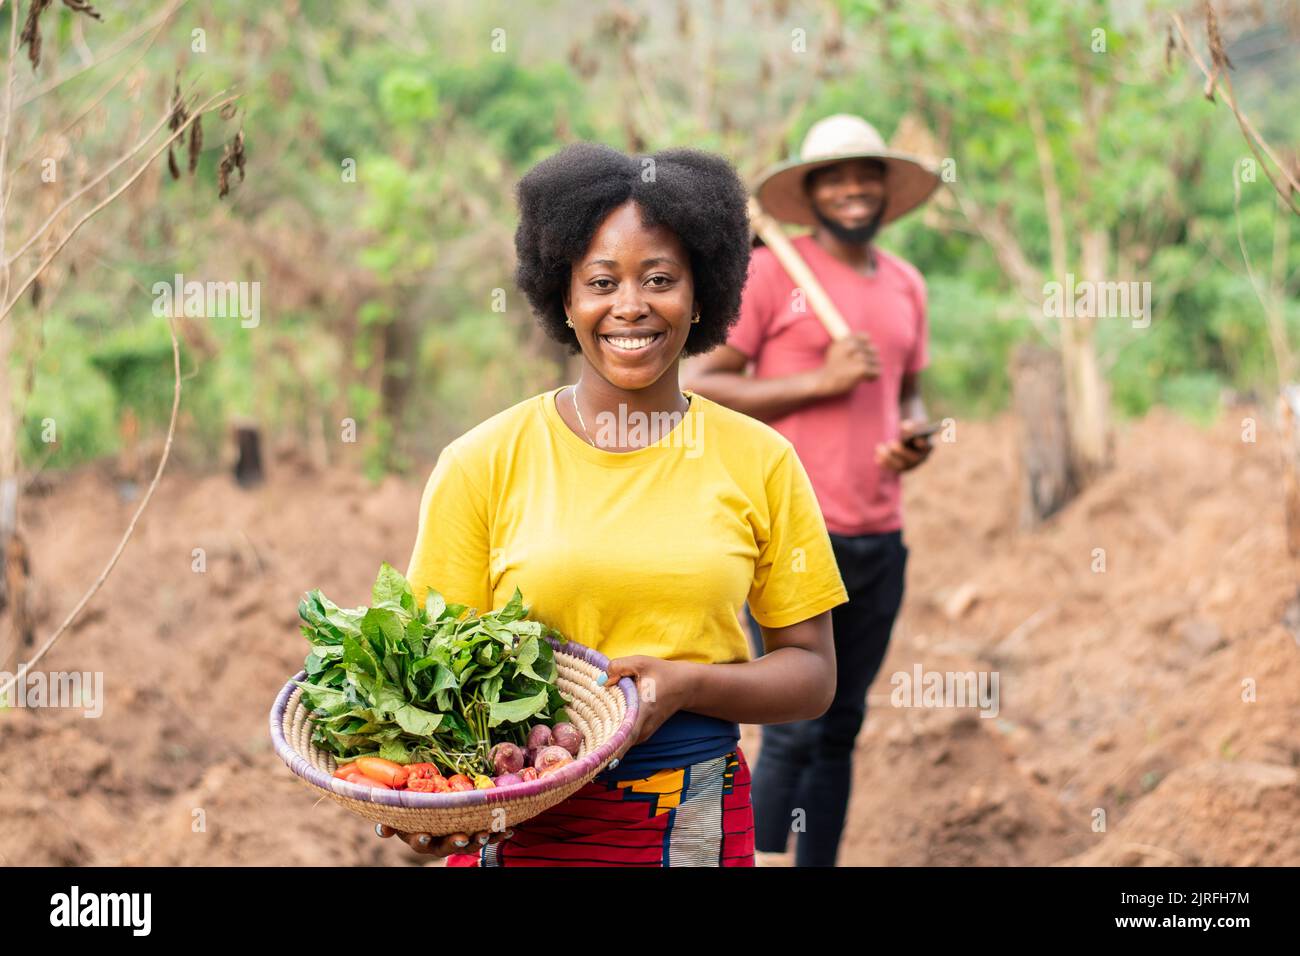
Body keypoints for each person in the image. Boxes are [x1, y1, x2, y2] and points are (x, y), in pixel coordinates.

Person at [377, 142, 849, 866]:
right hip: (520, 815)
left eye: (660, 279)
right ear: (563, 297)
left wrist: (691, 683)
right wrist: (426, 809)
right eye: (602, 281)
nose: (630, 306)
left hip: (690, 820)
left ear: (702, 296)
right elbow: (428, 680)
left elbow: (811, 675)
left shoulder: (760, 461)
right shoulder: (482, 462)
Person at [682, 114, 942, 867]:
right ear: (810, 192)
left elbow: (910, 394)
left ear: (886, 189)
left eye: (867, 176)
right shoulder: (773, 273)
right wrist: (818, 381)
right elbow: (702, 385)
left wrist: (914, 438)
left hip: (880, 533)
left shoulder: (906, 285)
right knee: (795, 723)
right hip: (798, 532)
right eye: (836, 177)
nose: (854, 190)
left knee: (843, 724)